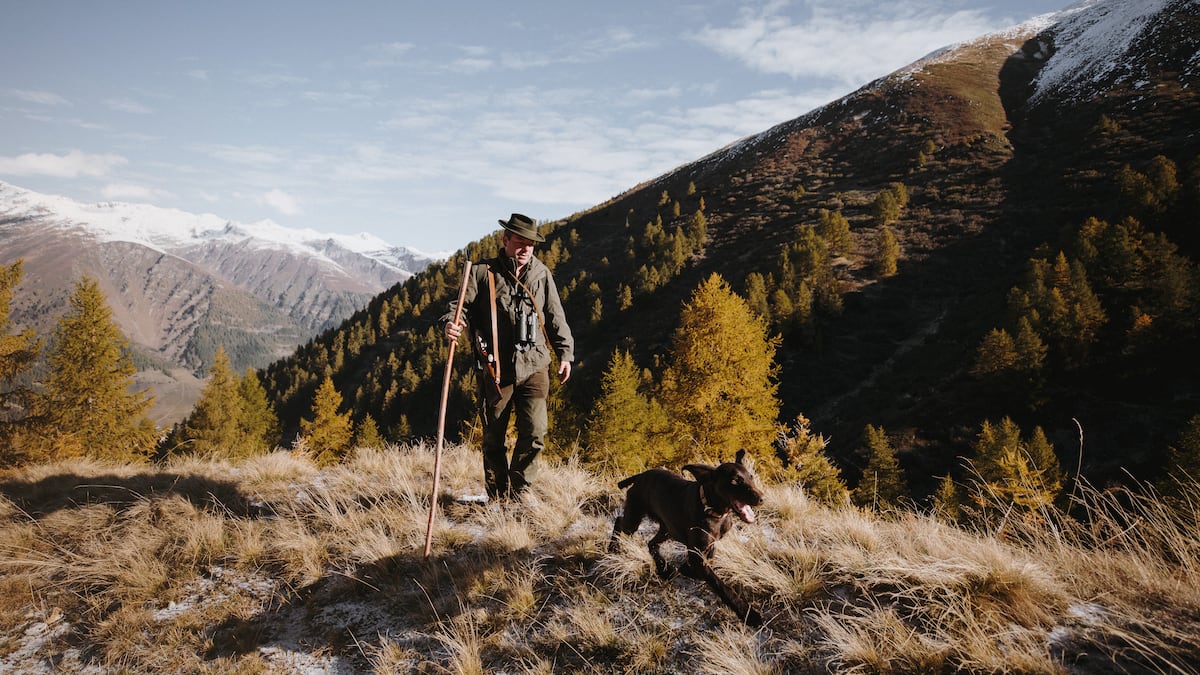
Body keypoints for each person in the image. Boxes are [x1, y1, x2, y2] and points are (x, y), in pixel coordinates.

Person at [443, 213, 574, 500]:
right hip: (495, 369)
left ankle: (520, 493)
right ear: (505, 240)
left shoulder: (541, 275)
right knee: (493, 437)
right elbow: (459, 307)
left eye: (531, 244)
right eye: (520, 242)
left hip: (535, 365)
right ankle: (498, 494)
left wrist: (565, 354)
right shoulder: (481, 273)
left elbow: (555, 317)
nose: (526, 249)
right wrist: (453, 323)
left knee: (535, 432)